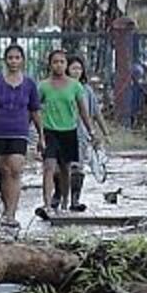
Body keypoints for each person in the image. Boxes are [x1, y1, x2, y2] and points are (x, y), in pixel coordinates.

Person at [0, 44, 43, 228]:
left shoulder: (29, 84)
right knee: (3, 171)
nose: (14, 61)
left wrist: (42, 136)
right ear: (5, 60)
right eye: (10, 58)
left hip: (20, 131)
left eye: (17, 58)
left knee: (15, 169)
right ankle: (5, 210)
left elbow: (35, 111)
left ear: (22, 60)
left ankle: (12, 214)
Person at [36, 49, 97, 220]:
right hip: (49, 131)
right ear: (50, 64)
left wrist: (92, 131)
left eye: (62, 62)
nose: (59, 65)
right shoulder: (43, 86)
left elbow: (84, 112)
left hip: (69, 131)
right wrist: (35, 135)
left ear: (66, 65)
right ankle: (47, 204)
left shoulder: (75, 86)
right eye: (55, 62)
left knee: (65, 169)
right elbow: (35, 110)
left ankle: (64, 202)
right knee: (48, 167)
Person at [57, 55, 110, 211]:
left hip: (81, 135)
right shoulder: (59, 87)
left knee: (78, 167)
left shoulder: (86, 90)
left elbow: (96, 113)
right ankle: (58, 197)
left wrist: (104, 132)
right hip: (62, 132)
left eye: (79, 68)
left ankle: (75, 200)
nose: (76, 72)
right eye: (73, 68)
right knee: (61, 167)